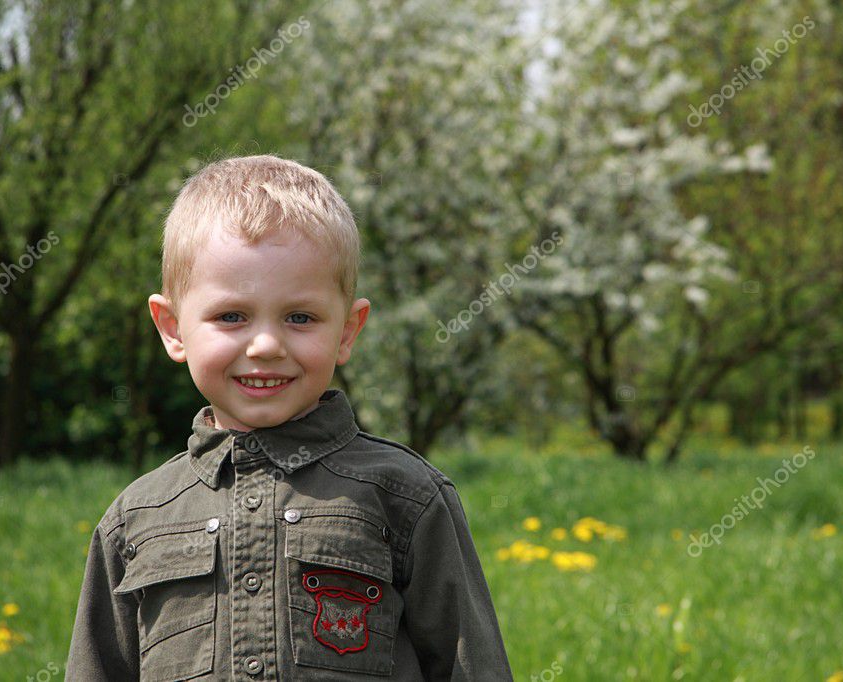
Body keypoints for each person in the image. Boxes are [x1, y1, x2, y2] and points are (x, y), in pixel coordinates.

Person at [64, 154, 513, 681]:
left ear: (347, 330)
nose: (266, 345)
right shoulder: (133, 521)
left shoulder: (407, 498)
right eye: (231, 316)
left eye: (300, 317)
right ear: (172, 328)